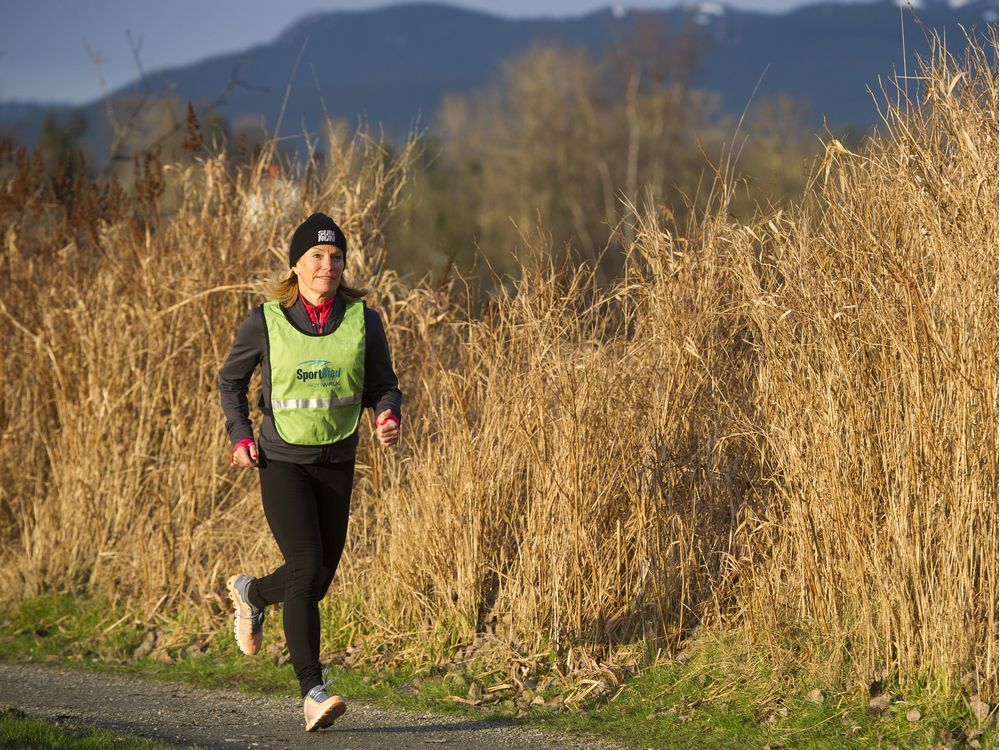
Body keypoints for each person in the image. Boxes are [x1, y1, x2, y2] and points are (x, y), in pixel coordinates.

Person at [218, 212, 401, 732]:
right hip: (282, 462)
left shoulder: (364, 321)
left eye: (336, 256)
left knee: (316, 578)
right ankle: (312, 692)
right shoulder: (266, 320)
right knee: (304, 562)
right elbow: (230, 382)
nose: (328, 265)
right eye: (317, 257)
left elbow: (383, 385)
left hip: (337, 462)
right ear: (296, 265)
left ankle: (252, 593)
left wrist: (387, 415)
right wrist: (240, 436)